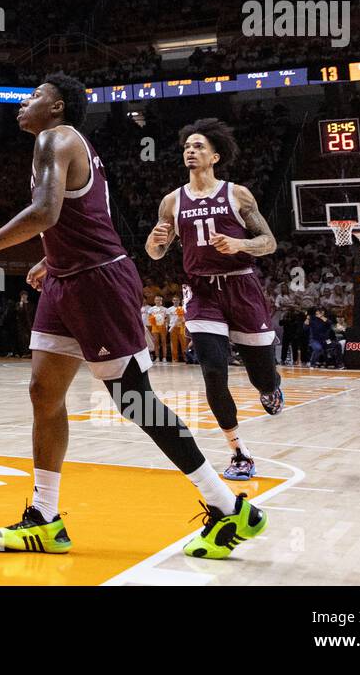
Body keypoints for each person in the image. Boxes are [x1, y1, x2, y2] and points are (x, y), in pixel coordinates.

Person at [0, 75, 267, 559]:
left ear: (57, 106)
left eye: (34, 95)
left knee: (135, 402)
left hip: (98, 283)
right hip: (66, 279)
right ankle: (45, 517)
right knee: (43, 391)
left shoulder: (54, 138)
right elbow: (83, 213)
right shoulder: (61, 143)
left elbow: (45, 212)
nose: (24, 101)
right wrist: (50, 258)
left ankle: (227, 507)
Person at [145, 117, 284, 481]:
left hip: (242, 287)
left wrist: (240, 244)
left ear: (215, 156)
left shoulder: (237, 195)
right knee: (212, 373)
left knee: (262, 375)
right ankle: (238, 450)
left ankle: (271, 387)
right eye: (187, 147)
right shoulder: (172, 201)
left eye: (199, 147)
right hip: (202, 292)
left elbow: (269, 242)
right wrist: (156, 241)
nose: (190, 152)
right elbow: (155, 253)